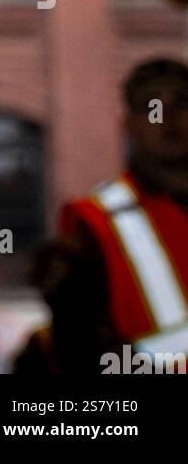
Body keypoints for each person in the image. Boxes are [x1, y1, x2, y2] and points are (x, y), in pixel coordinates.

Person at [13, 58, 188, 375]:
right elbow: (82, 351)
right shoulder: (97, 223)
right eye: (151, 106)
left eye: (180, 102)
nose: (166, 117)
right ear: (129, 125)